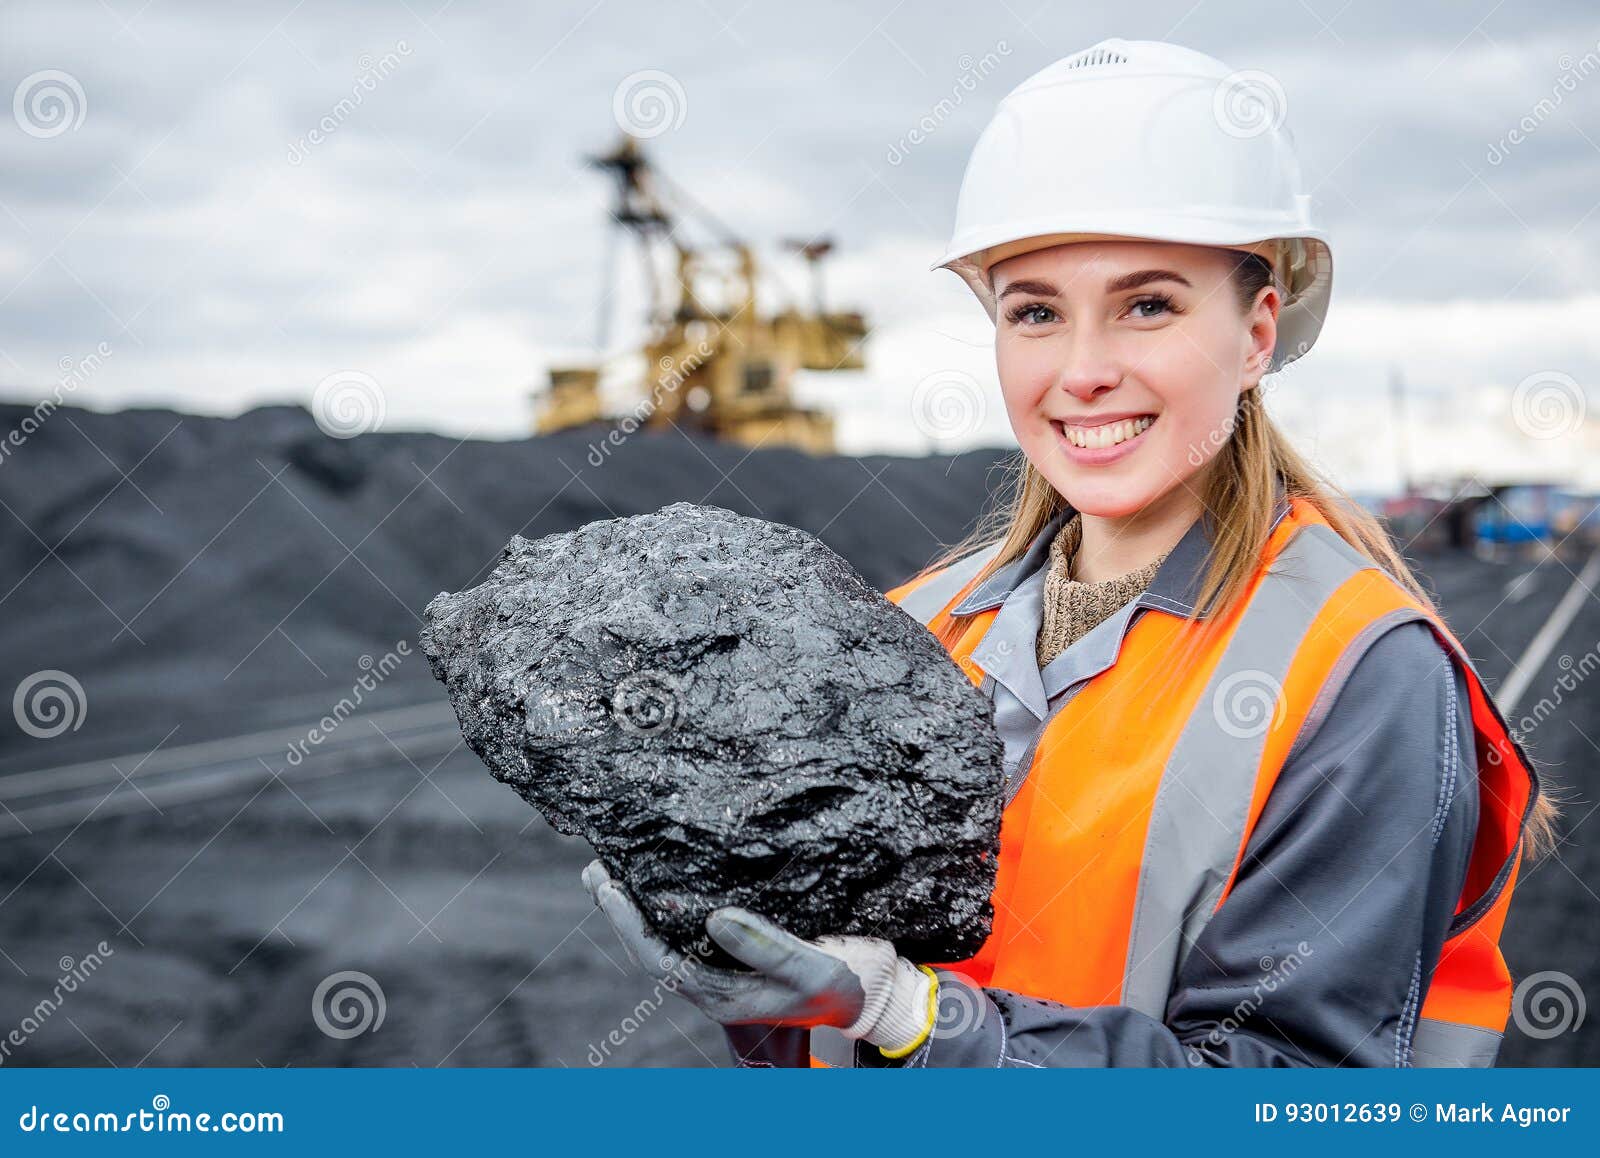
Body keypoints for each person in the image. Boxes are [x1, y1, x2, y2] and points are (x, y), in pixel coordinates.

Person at [583, 38, 1557, 1068]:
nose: (1083, 370)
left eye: (1147, 304)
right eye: (1036, 313)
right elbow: (827, 1056)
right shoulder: (916, 627)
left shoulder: (1358, 673)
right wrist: (765, 987)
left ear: (1258, 330)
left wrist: (911, 1019)